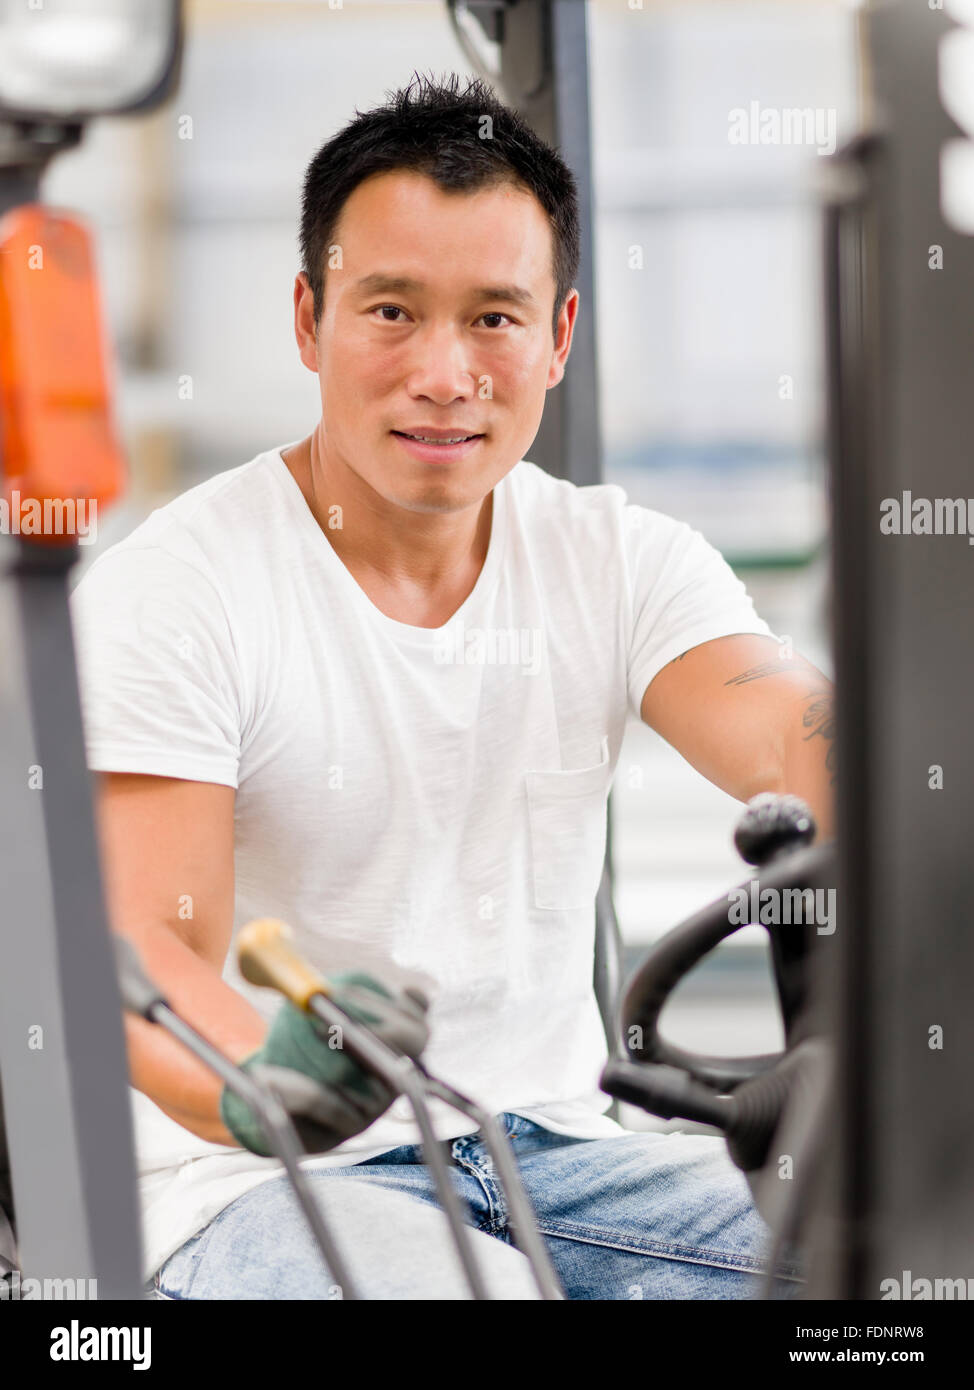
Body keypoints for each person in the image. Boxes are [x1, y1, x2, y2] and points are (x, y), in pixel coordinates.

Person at [70, 72, 832, 1300]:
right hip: (265, 1182)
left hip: (562, 1152)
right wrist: (265, 1072)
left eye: (492, 317)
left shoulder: (620, 556)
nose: (443, 372)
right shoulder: (180, 590)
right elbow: (147, 960)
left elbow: (789, 731)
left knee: (891, 1263)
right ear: (309, 320)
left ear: (558, 336)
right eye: (390, 312)